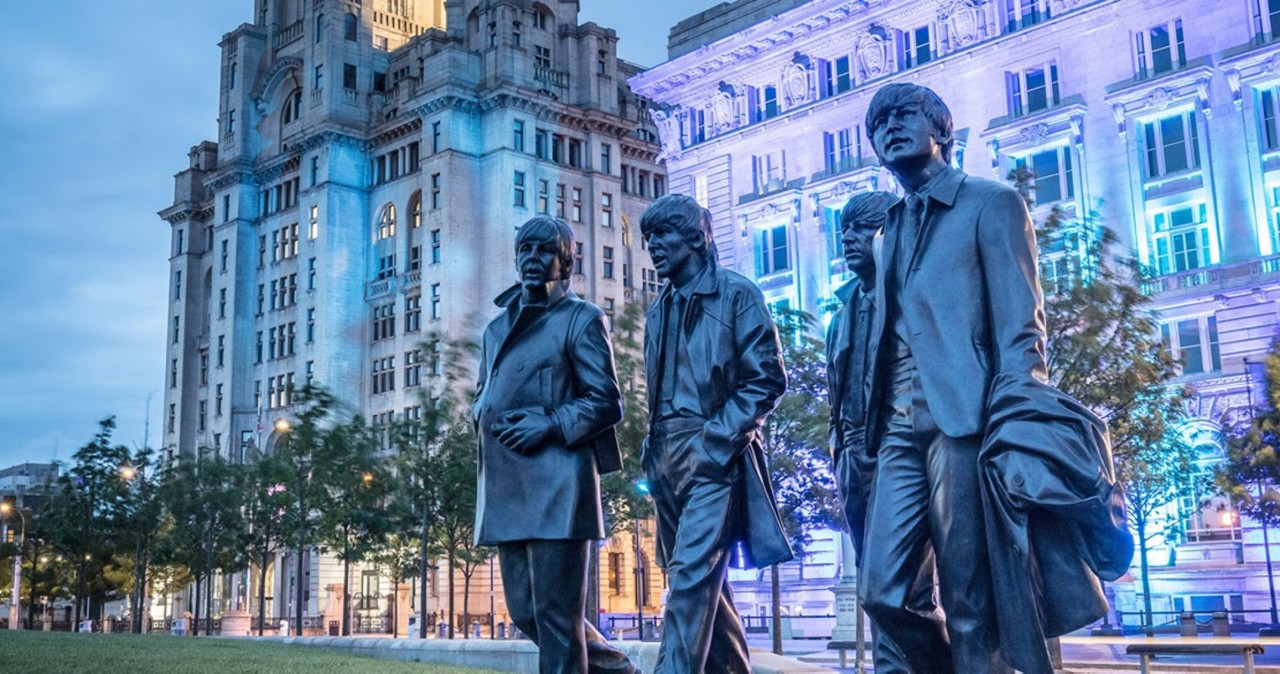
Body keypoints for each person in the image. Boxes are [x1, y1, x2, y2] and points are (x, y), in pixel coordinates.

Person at [856, 82, 1047, 673]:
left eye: (904, 114)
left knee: (969, 597)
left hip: (966, 419)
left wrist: (1017, 422)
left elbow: (1022, 326)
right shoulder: (887, 232)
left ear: (942, 129)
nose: (889, 126)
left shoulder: (991, 204)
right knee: (881, 592)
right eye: (878, 122)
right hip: (896, 430)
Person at [473, 216, 634, 674]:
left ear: (566, 263)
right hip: (506, 486)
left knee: (558, 618)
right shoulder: (494, 329)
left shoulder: (582, 319)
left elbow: (606, 402)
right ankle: (621, 671)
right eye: (525, 249)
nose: (532, 259)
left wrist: (548, 423)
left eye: (544, 251)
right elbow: (485, 390)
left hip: (559, 487)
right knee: (527, 612)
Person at [639, 194, 792, 673]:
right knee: (707, 586)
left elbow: (766, 377)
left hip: (714, 452)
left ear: (696, 237)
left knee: (688, 577)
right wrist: (654, 455)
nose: (653, 247)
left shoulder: (736, 294)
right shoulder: (657, 312)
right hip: (665, 458)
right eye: (648, 239)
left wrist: (717, 439)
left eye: (662, 235)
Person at [826, 190, 937, 673]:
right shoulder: (843, 311)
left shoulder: (916, 299)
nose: (847, 239)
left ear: (889, 233)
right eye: (842, 230)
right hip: (855, 461)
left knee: (892, 589)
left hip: (907, 451)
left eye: (860, 228)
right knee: (886, 589)